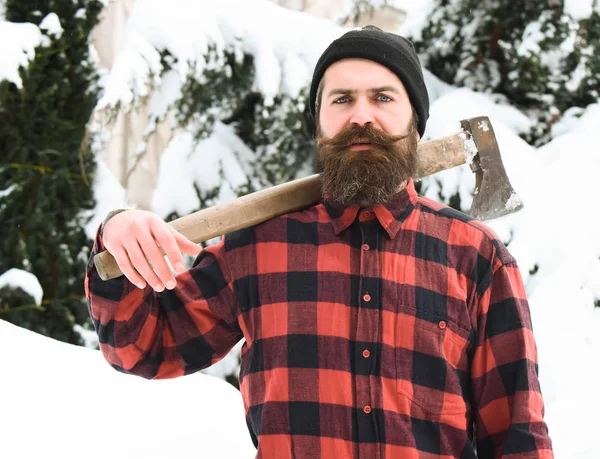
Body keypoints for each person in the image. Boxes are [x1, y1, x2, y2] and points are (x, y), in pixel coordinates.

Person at [85, 26, 553, 458]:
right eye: (342, 99)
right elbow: (143, 348)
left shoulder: (475, 256)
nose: (361, 116)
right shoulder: (256, 245)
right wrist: (117, 230)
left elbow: (517, 435)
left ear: (415, 123)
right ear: (320, 123)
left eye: (383, 98)